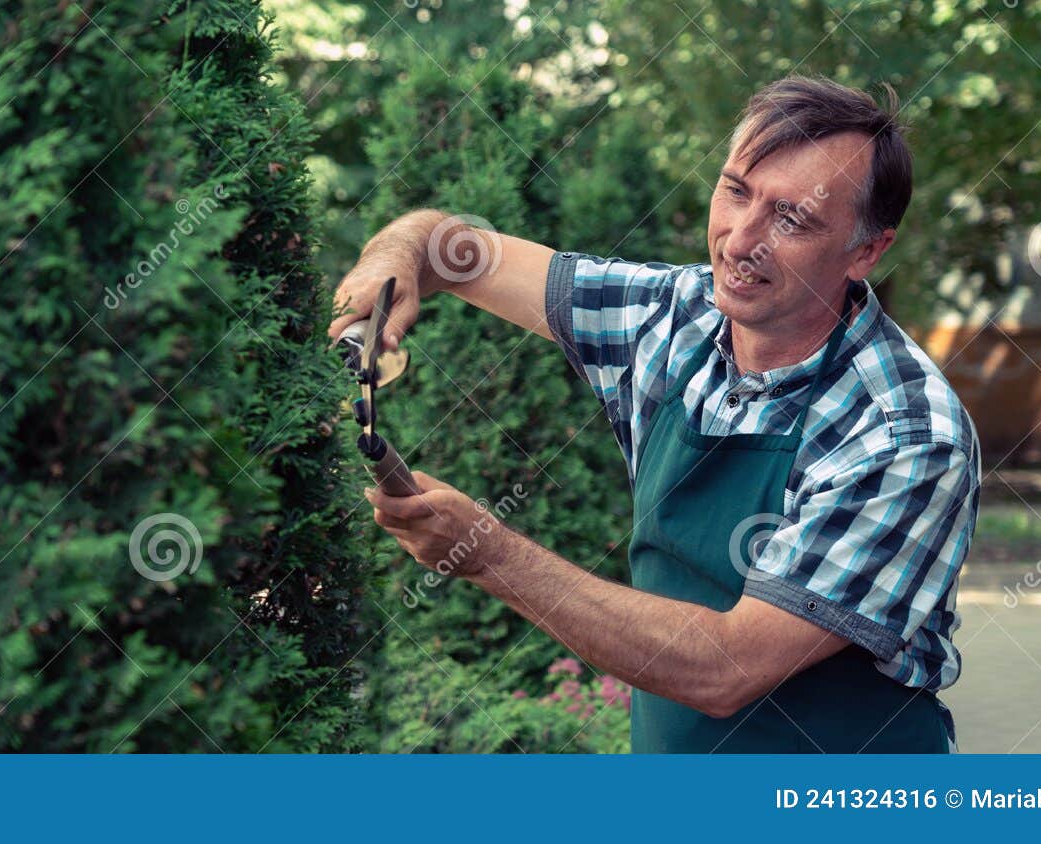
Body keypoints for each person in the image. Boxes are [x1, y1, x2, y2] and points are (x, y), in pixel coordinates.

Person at [328, 75, 980, 753]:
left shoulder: (906, 434)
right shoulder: (669, 319)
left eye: (790, 218)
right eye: (735, 191)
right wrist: (390, 262)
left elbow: (726, 669)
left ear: (868, 250)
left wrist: (486, 552)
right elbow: (443, 244)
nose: (740, 240)